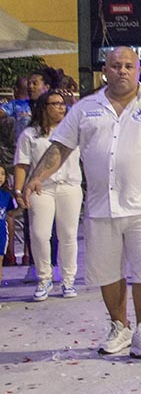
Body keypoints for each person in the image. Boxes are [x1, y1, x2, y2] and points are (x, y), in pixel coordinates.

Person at [24, 47, 141, 359]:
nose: (121, 71)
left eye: (128, 66)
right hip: (101, 205)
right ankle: (120, 327)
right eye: (115, 66)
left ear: (137, 69)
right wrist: (38, 176)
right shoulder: (86, 108)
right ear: (105, 70)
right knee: (107, 271)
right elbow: (61, 146)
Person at [14, 91, 83, 301]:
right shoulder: (30, 135)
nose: (61, 108)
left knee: (68, 235)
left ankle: (68, 280)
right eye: (56, 104)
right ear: (44, 107)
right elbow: (22, 164)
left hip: (69, 186)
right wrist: (18, 191)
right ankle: (44, 278)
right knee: (40, 234)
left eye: (63, 104)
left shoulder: (74, 133)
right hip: (40, 188)